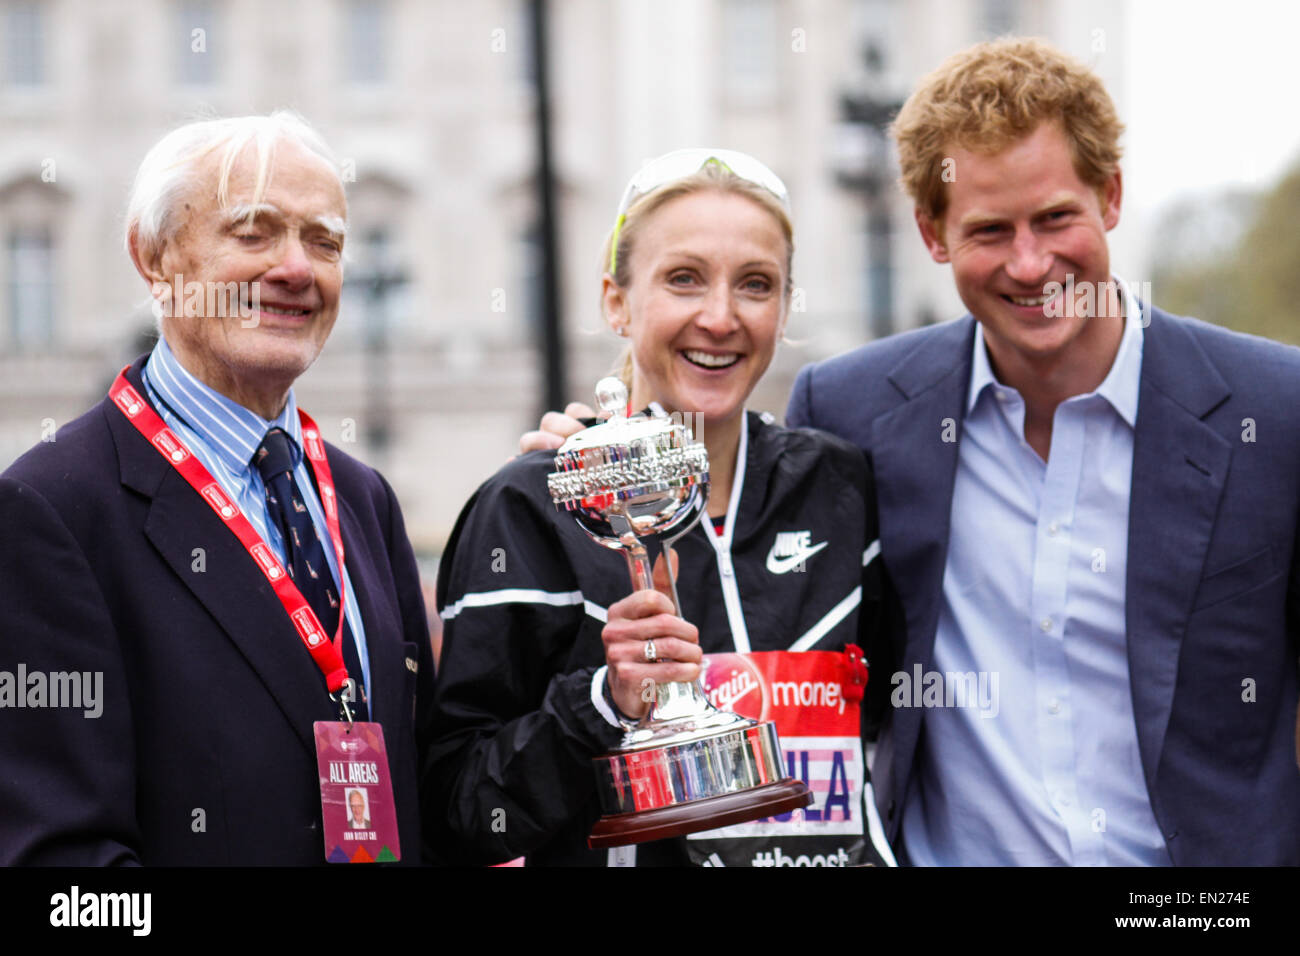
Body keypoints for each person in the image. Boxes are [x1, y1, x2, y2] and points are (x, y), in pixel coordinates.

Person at [785, 38, 1300, 864]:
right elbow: (750, 599)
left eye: (1056, 217)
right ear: (933, 234)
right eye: (990, 229)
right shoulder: (852, 411)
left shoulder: (1278, 412)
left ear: (1112, 195)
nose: (1031, 263)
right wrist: (594, 470)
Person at [428, 149, 887, 866]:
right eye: (683, 279)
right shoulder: (531, 506)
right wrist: (603, 703)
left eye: (756, 285)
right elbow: (457, 808)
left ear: (785, 307)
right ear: (616, 300)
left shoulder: (842, 487)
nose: (720, 316)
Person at [0, 113, 437, 865]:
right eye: (254, 232)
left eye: (324, 241)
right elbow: (61, 868)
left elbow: (431, 793)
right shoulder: (51, 507)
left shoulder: (364, 497)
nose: (297, 268)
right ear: (155, 256)